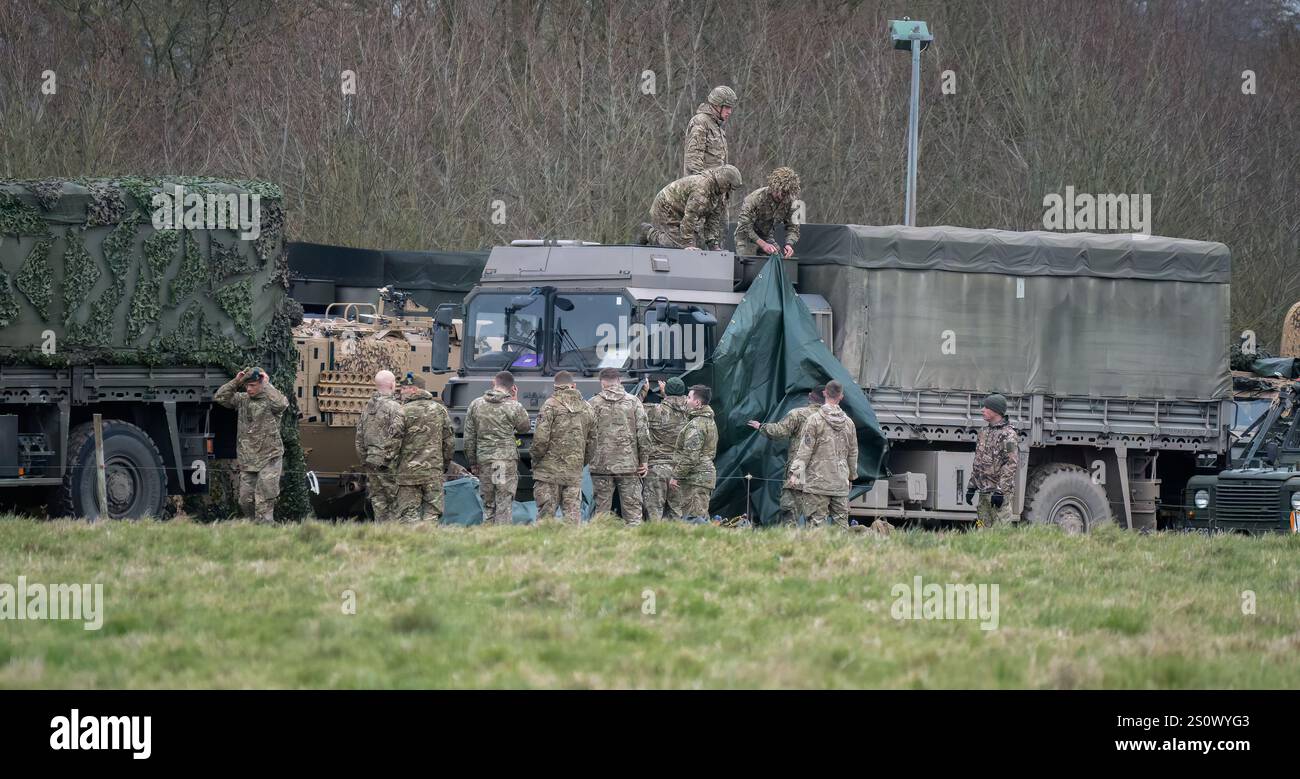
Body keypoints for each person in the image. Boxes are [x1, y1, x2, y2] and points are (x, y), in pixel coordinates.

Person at [214, 366, 288, 524]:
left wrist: (267, 384)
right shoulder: (242, 400)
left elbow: (281, 404)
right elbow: (220, 397)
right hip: (248, 461)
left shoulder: (271, 401)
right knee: (245, 501)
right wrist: (236, 381)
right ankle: (254, 531)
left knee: (263, 504)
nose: (249, 389)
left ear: (261, 383)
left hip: (269, 459)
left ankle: (266, 537)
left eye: (253, 385)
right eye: (247, 385)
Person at [747, 384, 824, 526]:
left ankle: (790, 542)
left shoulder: (798, 414)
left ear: (810, 397)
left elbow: (779, 431)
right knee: (817, 515)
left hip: (799, 469)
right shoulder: (837, 419)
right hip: (823, 472)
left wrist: (761, 426)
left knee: (790, 511)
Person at [788, 380, 857, 528]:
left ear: (825, 393)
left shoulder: (814, 420)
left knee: (816, 527)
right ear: (841, 397)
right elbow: (853, 453)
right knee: (841, 527)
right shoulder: (849, 423)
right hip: (840, 483)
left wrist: (795, 475)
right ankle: (843, 552)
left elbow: (804, 450)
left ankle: (819, 552)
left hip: (816, 484)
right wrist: (850, 477)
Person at [464, 371, 530, 525]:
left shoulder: (476, 404)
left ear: (494, 383)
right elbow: (524, 427)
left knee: (488, 504)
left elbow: (469, 438)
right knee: (504, 503)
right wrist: (515, 400)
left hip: (485, 460)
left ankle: (487, 538)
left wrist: (473, 462)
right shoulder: (514, 406)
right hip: (505, 461)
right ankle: (502, 539)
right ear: (512, 387)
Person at [586, 367, 650, 524]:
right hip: (629, 466)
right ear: (619, 381)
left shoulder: (592, 404)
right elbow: (643, 434)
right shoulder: (634, 402)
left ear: (602, 384)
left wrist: (588, 459)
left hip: (601, 466)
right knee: (633, 513)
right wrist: (644, 460)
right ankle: (634, 546)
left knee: (601, 513)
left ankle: (600, 545)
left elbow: (584, 434)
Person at [531, 371, 594, 523]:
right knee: (572, 517)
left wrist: (536, 461)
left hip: (548, 473)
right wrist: (580, 462)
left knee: (546, 517)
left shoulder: (549, 406)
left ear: (555, 386)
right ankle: (572, 546)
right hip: (573, 472)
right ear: (574, 385)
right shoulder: (587, 408)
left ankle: (544, 546)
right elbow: (592, 443)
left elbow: (540, 440)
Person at [394, 374, 454, 525]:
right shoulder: (440, 410)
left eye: (404, 388)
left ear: (414, 389)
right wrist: (444, 465)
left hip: (407, 474)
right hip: (433, 472)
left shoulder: (401, 411)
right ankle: (428, 543)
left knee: (408, 514)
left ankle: (412, 545)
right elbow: (449, 442)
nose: (401, 391)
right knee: (432, 513)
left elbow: (392, 443)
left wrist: (394, 467)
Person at [636, 165, 742, 251]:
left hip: (680, 211)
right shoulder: (702, 189)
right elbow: (691, 216)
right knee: (678, 247)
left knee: (698, 245)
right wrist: (687, 243)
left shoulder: (718, 193)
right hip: (665, 207)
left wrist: (713, 245)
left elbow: (712, 220)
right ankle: (647, 232)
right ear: (724, 183)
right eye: (729, 187)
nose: (729, 191)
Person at [965, 393, 1019, 527]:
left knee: (1000, 533)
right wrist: (972, 486)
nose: (982, 410)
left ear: (996, 411)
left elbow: (1011, 463)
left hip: (998, 494)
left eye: (986, 407)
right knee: (981, 529)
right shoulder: (983, 432)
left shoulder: (1009, 434)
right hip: (983, 493)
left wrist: (1000, 490)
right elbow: (978, 461)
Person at [355, 369, 403, 522]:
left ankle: (380, 532)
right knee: (395, 500)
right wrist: (390, 459)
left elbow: (359, 439)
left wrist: (365, 460)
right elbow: (398, 436)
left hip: (371, 460)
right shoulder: (395, 408)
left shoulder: (367, 409)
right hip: (388, 464)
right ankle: (395, 534)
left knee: (378, 500)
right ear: (391, 384)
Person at [640, 377, 691, 521]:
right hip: (681, 471)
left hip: (656, 469)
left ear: (666, 391)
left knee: (653, 513)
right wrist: (667, 395)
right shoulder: (692, 412)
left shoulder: (654, 410)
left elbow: (631, 407)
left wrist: (644, 391)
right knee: (678, 513)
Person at [669, 384, 718, 520]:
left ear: (697, 402)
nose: (686, 400)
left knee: (695, 519)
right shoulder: (707, 421)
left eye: (689, 397)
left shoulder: (697, 424)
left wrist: (676, 475)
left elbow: (691, 456)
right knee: (698, 517)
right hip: (699, 478)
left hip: (696, 479)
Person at [735, 167, 802, 258]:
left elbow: (793, 227)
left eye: (786, 194)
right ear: (774, 187)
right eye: (782, 193)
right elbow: (744, 226)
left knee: (778, 261)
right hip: (746, 237)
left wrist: (789, 244)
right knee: (749, 263)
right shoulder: (755, 198)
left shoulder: (791, 202)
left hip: (766, 236)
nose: (783, 197)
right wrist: (763, 245)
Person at [683, 85, 736, 175]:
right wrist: (701, 186)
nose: (729, 111)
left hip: (715, 187)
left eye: (730, 108)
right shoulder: (701, 122)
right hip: (702, 186)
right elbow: (693, 162)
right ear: (717, 105)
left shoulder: (717, 127)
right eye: (727, 107)